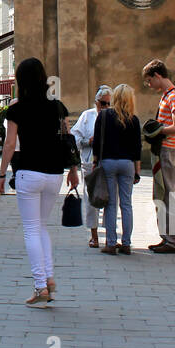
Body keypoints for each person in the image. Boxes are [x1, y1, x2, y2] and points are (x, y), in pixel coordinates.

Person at [0, 57, 76, 306]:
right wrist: (74, 169)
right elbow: (68, 138)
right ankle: (49, 280)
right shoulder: (57, 106)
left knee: (31, 229)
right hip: (54, 174)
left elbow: (10, 144)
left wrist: (1, 175)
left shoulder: (16, 108)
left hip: (28, 172)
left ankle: (41, 285)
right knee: (41, 227)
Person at [142, 59, 175, 254]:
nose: (148, 85)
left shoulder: (174, 96)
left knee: (169, 194)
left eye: (149, 80)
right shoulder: (167, 95)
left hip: (168, 150)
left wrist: (158, 131)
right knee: (160, 194)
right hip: (162, 150)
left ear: (158, 75)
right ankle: (167, 237)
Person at [92, 84, 142, 255]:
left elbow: (97, 141)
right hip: (127, 163)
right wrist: (137, 170)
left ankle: (111, 243)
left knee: (111, 203)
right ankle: (126, 243)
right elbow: (137, 148)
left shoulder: (104, 115)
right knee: (126, 204)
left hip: (108, 162)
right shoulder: (133, 119)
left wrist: (95, 161)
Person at [71, 86, 112, 248]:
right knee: (91, 199)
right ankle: (94, 234)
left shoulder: (114, 116)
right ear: (96, 103)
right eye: (103, 103)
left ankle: (110, 235)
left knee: (111, 199)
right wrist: (87, 141)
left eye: (109, 104)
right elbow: (75, 136)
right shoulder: (87, 116)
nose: (106, 107)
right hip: (90, 162)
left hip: (109, 161)